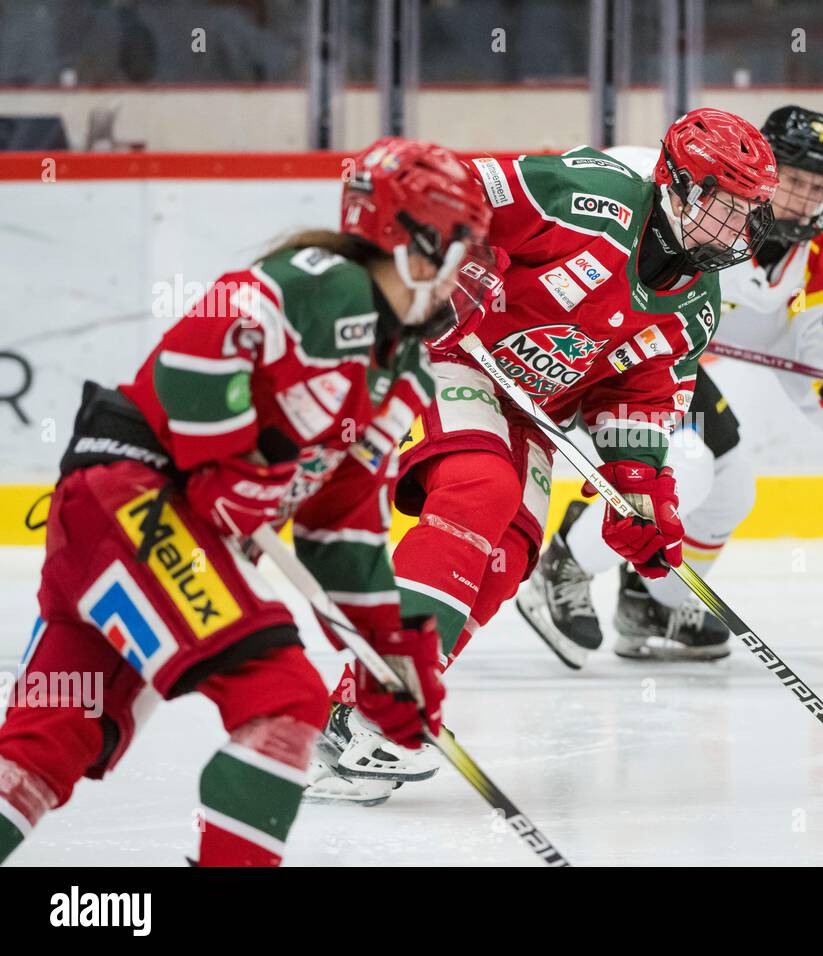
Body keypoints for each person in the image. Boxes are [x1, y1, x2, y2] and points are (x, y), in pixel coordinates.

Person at [0, 137, 495, 865]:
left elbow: (341, 523)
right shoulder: (323, 282)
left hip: (120, 530)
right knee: (282, 700)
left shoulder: (406, 369)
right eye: (456, 245)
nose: (464, 270)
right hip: (134, 504)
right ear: (403, 235)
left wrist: (388, 648)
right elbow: (197, 350)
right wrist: (225, 463)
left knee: (50, 742)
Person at [306, 108, 779, 804]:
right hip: (450, 353)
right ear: (677, 186)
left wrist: (641, 495)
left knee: (511, 553)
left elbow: (640, 397)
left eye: (749, 211)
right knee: (479, 489)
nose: (738, 228)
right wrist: (444, 261)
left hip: (530, 410)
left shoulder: (696, 308)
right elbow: (451, 189)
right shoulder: (590, 195)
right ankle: (383, 699)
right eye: (724, 204)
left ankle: (352, 712)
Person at [517, 106, 823, 667]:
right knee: (687, 460)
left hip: (672, 360)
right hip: (612, 348)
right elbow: (598, 189)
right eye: (795, 182)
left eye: (817, 187)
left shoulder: (811, 260)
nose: (803, 200)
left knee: (734, 484)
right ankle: (564, 564)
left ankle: (651, 601)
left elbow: (822, 363)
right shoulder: (704, 203)